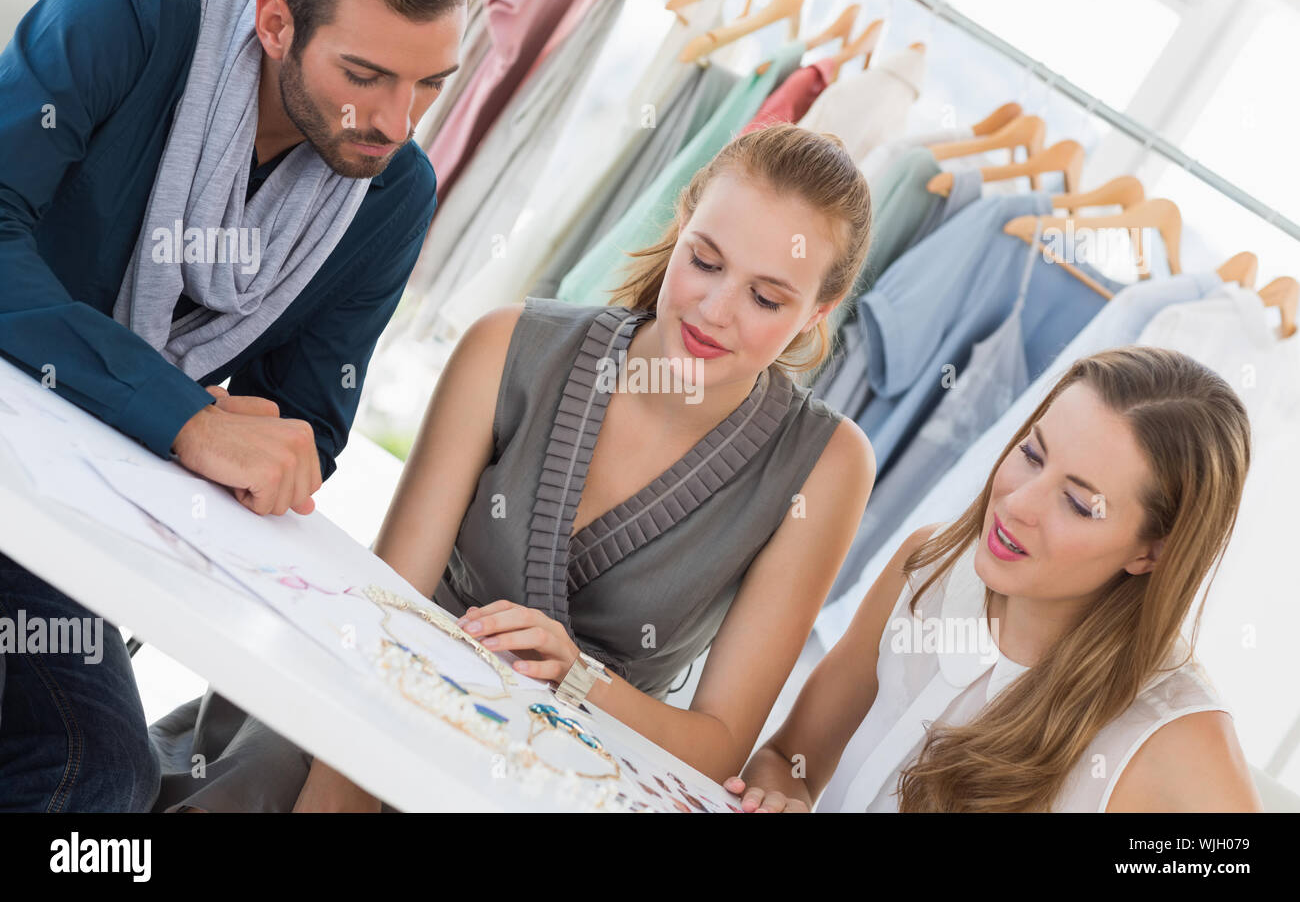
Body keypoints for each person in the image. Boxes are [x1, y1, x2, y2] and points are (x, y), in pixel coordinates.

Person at [150, 122, 878, 811]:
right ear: (681, 224)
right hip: (368, 694)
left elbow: (716, 743)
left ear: (819, 311)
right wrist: (348, 776)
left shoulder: (825, 466)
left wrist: (580, 677)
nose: (716, 309)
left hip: (554, 781)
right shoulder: (506, 347)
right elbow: (385, 608)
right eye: (705, 261)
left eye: (765, 296)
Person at [0, 0, 470, 810]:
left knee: (106, 782)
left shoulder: (392, 196)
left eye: (430, 83)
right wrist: (184, 416)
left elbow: (304, 430)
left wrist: (231, 439)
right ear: (276, 24)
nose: (397, 121)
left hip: (83, 527)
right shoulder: (124, 16)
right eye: (364, 74)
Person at [723, 346, 1264, 812]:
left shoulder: (1173, 732)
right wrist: (777, 797)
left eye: (1078, 503)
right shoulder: (927, 567)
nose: (1018, 503)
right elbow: (787, 760)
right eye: (1031, 454)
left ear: (1153, 553)